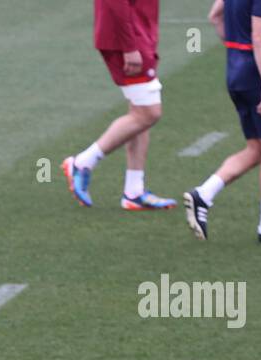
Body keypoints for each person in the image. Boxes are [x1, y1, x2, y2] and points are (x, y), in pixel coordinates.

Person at [183, 0, 261, 243]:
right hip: (258, 73)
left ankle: (203, 195)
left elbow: (216, 15)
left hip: (236, 69)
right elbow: (260, 36)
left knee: (256, 149)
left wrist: (237, 52)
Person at [63, 0, 176, 210]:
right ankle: (82, 163)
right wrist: (130, 46)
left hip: (139, 32)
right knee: (148, 114)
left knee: (140, 110)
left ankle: (134, 192)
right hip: (128, 39)